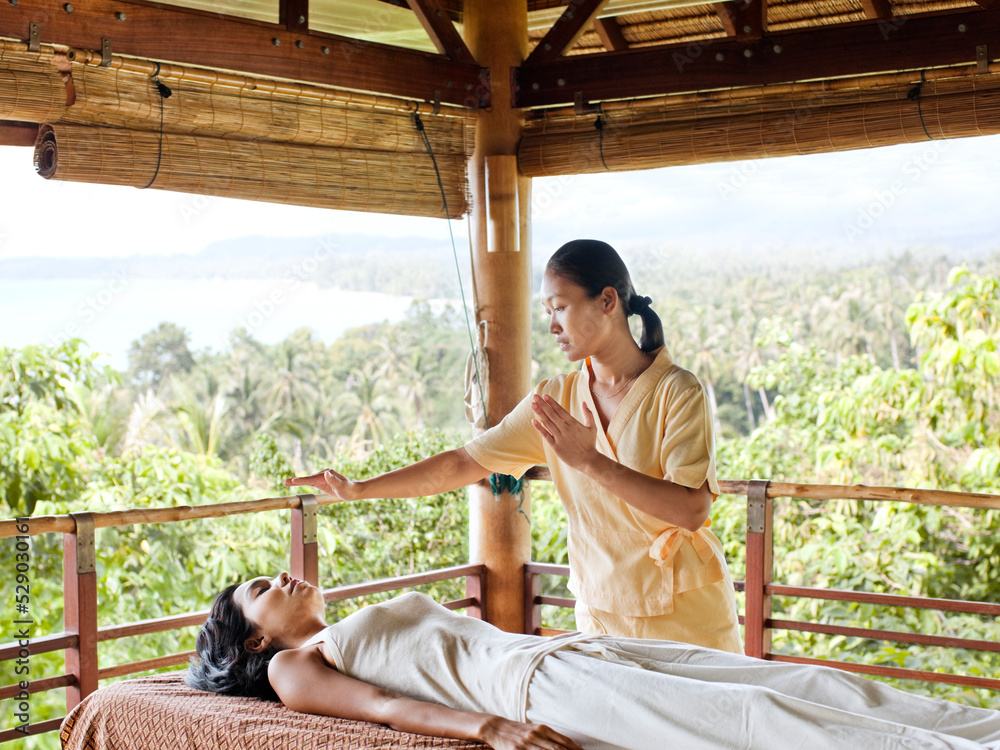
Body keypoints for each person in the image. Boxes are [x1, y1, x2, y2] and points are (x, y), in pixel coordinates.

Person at [286, 238, 740, 652]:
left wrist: (590, 461)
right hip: (603, 617)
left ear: (607, 301)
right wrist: (360, 489)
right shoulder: (555, 399)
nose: (552, 327)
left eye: (559, 308)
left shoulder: (678, 391)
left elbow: (691, 509)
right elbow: (464, 462)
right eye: (547, 312)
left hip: (689, 622)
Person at [186, 572, 1000, 750]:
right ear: (254, 638)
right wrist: (493, 728)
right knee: (757, 719)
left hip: (575, 650)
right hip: (540, 684)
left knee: (796, 679)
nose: (284, 576)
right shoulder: (297, 668)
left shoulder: (331, 632)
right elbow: (387, 711)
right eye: (262, 589)